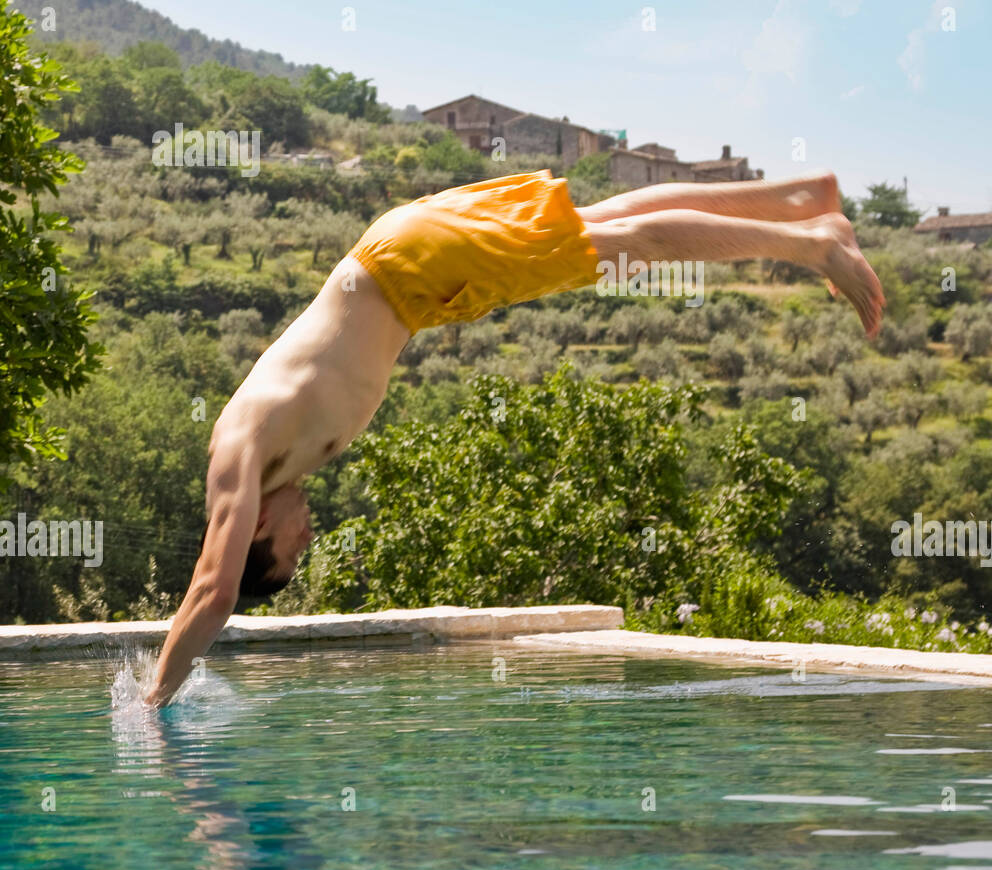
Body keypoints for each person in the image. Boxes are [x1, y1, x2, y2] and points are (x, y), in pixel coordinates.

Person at [144, 168, 883, 705]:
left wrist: (153, 703)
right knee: (604, 219)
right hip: (407, 261)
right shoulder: (272, 455)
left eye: (291, 546)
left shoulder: (236, 465)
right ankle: (800, 199)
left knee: (629, 244)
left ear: (255, 531)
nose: (310, 537)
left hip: (410, 270)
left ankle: (813, 245)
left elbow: (212, 591)